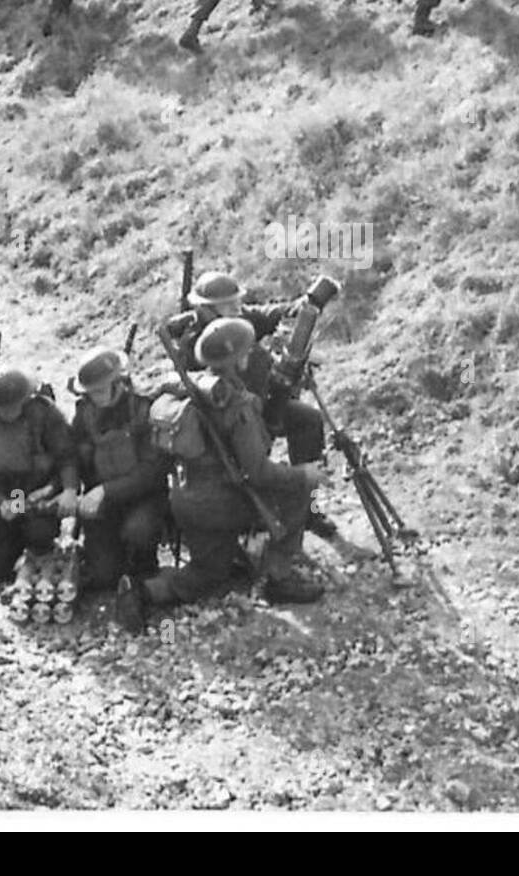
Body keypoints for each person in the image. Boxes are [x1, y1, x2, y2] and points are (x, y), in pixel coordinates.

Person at [114, 318, 325, 634]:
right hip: (221, 503)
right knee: (294, 490)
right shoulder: (235, 405)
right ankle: (278, 577)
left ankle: (141, 591)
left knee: (208, 574)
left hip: (187, 502)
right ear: (239, 359)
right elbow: (259, 472)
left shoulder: (192, 386)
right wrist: (304, 474)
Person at [165, 270, 335, 538]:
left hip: (261, 405)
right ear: (207, 309)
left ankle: (310, 509)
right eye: (229, 304)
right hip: (229, 423)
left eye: (237, 301)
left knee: (308, 420)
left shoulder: (237, 318)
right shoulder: (197, 343)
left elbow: (268, 315)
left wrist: (305, 305)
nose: (237, 308)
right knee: (257, 468)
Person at [60, 346, 169, 589]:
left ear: (116, 382)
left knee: (139, 532)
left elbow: (153, 471)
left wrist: (105, 490)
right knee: (104, 576)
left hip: (144, 496)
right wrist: (69, 489)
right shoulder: (83, 414)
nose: (95, 396)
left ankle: (144, 568)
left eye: (100, 390)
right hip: (101, 501)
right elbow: (71, 457)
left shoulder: (142, 409)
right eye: (90, 392)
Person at [0, 366, 78, 584]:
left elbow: (66, 456)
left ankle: (40, 550)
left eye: (12, 408)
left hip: (38, 495)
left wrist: (70, 490)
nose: (7, 414)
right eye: (1, 409)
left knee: (40, 534)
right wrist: (0, 503)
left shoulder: (44, 414)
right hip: (6, 498)